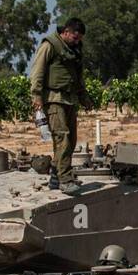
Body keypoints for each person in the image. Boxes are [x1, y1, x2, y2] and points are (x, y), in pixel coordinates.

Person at [30, 17, 90, 189]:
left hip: (70, 99)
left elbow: (78, 76)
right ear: (66, 32)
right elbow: (37, 71)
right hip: (54, 99)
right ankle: (65, 180)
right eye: (75, 37)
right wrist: (36, 96)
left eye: (79, 39)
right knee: (62, 138)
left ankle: (56, 177)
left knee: (71, 140)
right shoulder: (50, 45)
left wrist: (84, 96)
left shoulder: (74, 49)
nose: (77, 41)